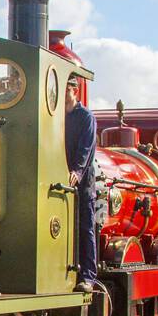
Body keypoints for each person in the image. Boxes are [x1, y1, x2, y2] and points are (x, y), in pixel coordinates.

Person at [63, 73, 97, 291]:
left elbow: (86, 148)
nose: (64, 93)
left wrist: (77, 170)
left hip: (82, 180)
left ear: (75, 90)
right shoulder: (58, 118)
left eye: (67, 88)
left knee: (86, 226)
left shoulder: (86, 117)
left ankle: (88, 275)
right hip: (61, 175)